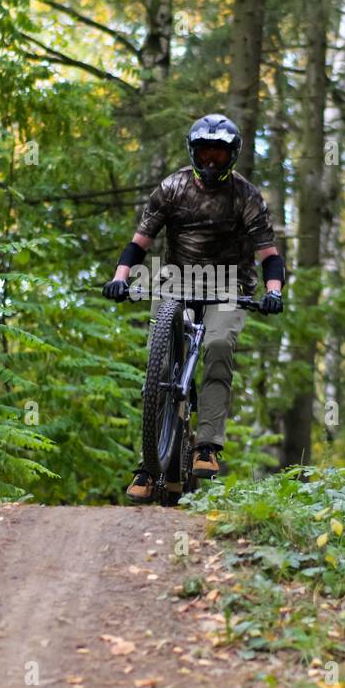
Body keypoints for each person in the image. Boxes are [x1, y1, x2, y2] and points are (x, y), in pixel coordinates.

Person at [103, 113, 285, 502]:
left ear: (231, 156)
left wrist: (274, 291)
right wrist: (120, 278)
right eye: (205, 153)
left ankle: (206, 447)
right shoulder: (172, 187)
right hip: (177, 281)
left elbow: (269, 254)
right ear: (193, 152)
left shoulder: (245, 195)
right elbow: (141, 242)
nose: (211, 162)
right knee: (160, 363)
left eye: (219, 155)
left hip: (229, 284)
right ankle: (150, 465)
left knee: (218, 346)